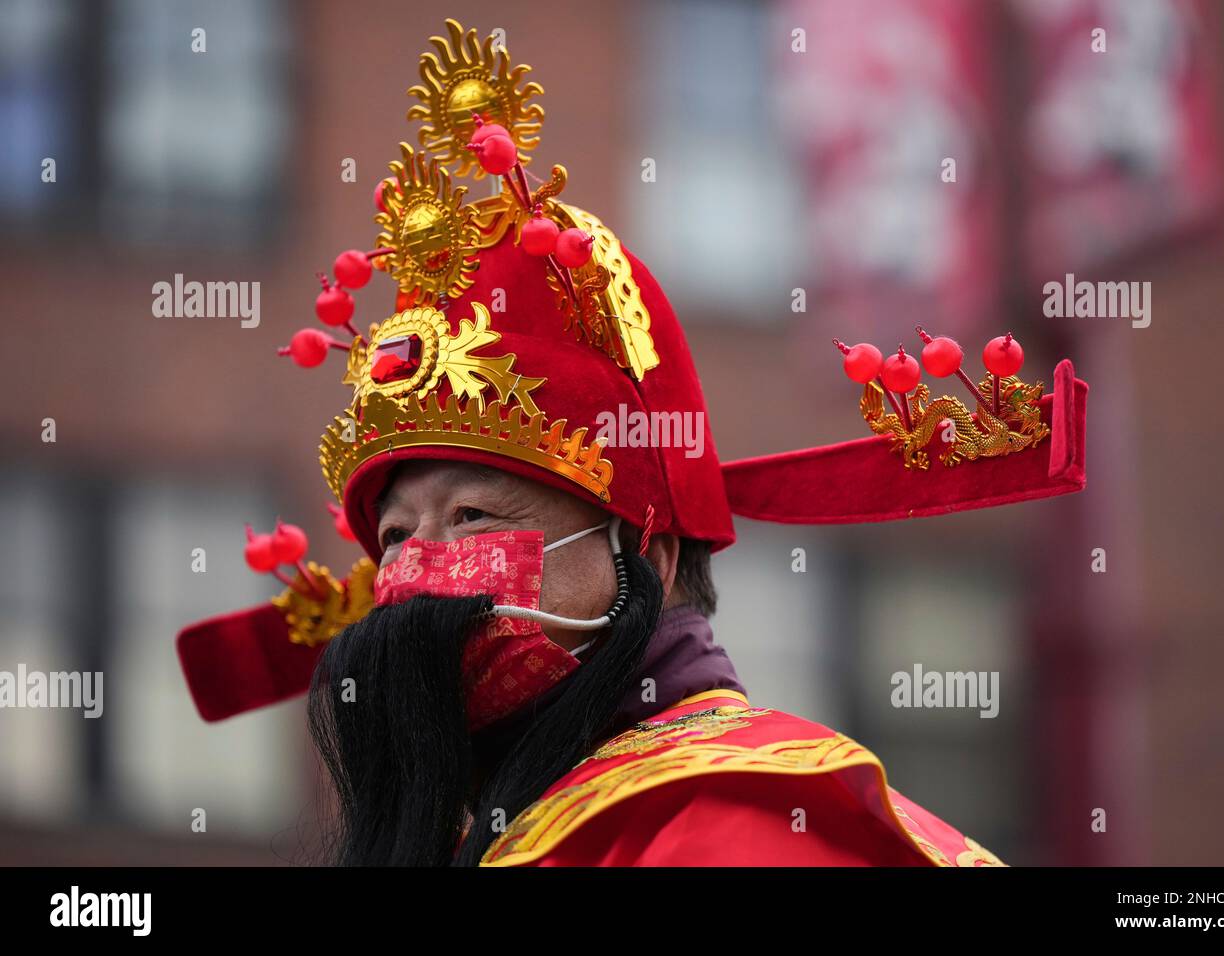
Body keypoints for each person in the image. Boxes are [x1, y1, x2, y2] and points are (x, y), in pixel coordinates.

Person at [177, 19, 1088, 867]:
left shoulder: (732, 831)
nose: (418, 573)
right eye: (399, 539)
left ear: (643, 553)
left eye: (472, 515)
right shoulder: (536, 826)